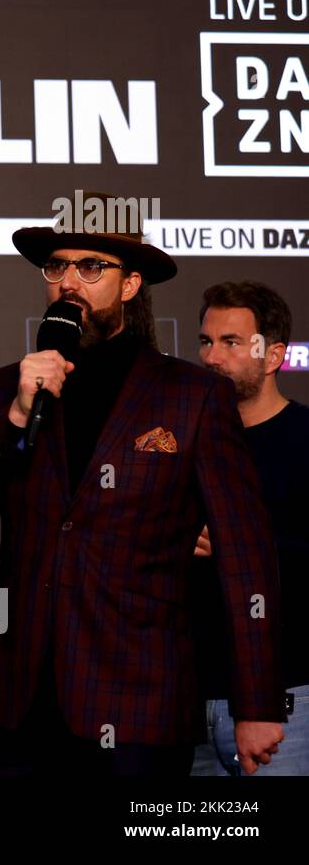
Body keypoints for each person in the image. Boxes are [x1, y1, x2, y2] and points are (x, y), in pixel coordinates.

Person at [0, 203, 284, 776]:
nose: (68, 281)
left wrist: (257, 704)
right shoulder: (8, 387)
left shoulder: (192, 396)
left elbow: (246, 558)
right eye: (57, 266)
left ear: (130, 284)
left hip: (137, 706)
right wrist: (15, 416)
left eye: (91, 267)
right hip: (13, 705)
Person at [191, 281, 308, 775]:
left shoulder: (305, 438)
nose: (212, 357)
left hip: (288, 705)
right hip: (185, 706)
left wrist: (237, 550)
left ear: (274, 355)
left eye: (231, 342)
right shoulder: (181, 445)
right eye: (206, 341)